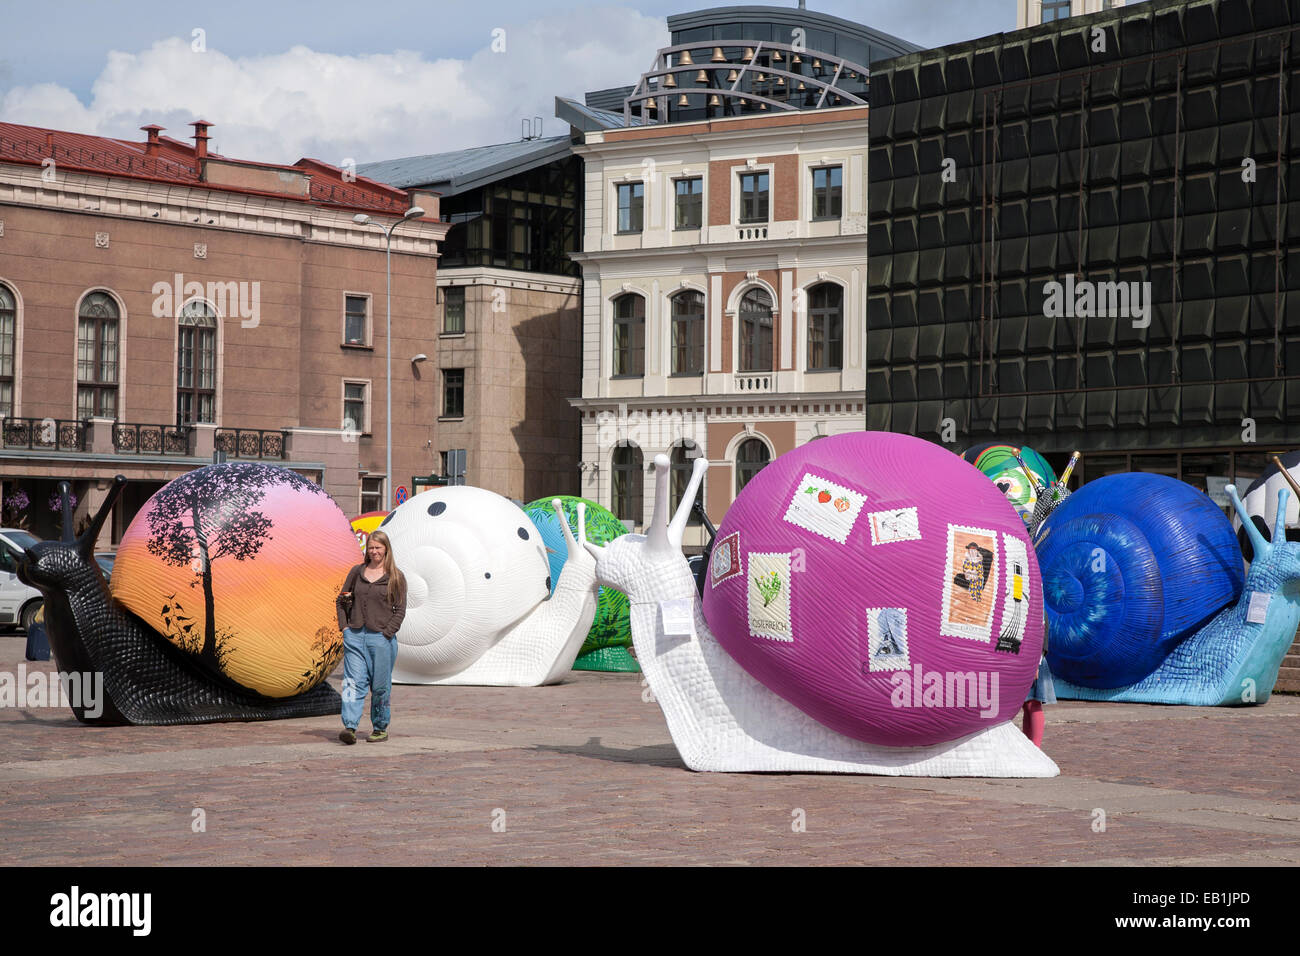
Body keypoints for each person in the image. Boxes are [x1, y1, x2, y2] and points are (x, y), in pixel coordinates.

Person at [336, 530, 406, 744]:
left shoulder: (395, 576)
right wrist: (345, 628)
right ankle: (349, 726)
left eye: (378, 547)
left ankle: (380, 727)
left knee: (380, 686)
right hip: (355, 636)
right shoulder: (357, 572)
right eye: (371, 547)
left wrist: (387, 633)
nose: (374, 551)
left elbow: (400, 610)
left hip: (381, 640)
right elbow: (341, 600)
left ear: (386, 549)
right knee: (351, 683)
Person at [1022, 633, 1055, 748]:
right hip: (1024, 659)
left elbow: (1041, 637)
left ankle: (1036, 747)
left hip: (1034, 661)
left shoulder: (1040, 614)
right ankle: (1028, 745)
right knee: (1026, 705)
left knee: (1033, 704)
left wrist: (1036, 664)